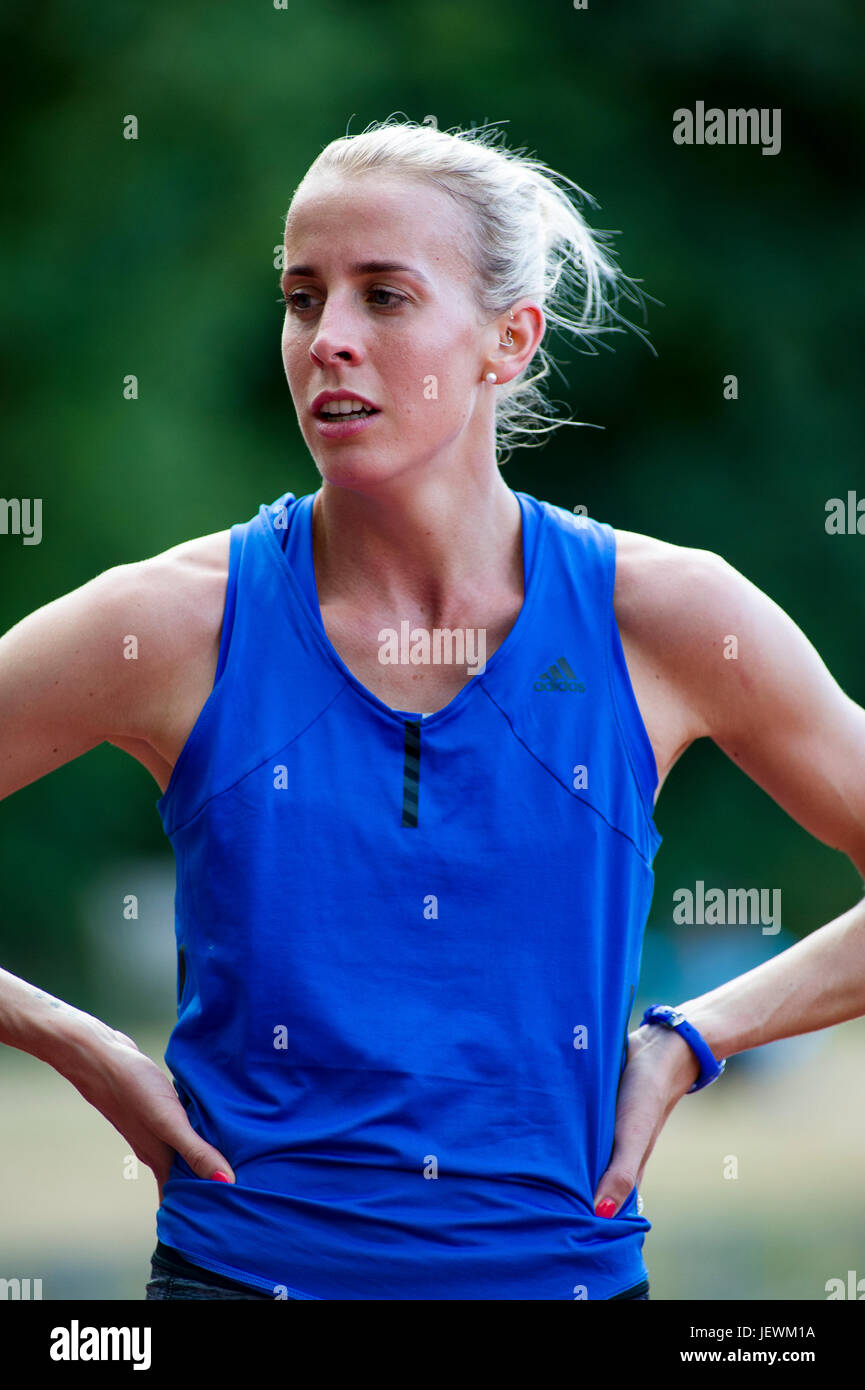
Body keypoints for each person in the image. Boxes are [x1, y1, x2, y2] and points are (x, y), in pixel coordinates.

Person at [1, 117, 864, 1302]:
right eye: (303, 299)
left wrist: (693, 1035)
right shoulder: (175, 621)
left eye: (384, 296)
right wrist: (79, 1043)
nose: (328, 342)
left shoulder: (663, 616)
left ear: (507, 341)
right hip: (235, 1281)